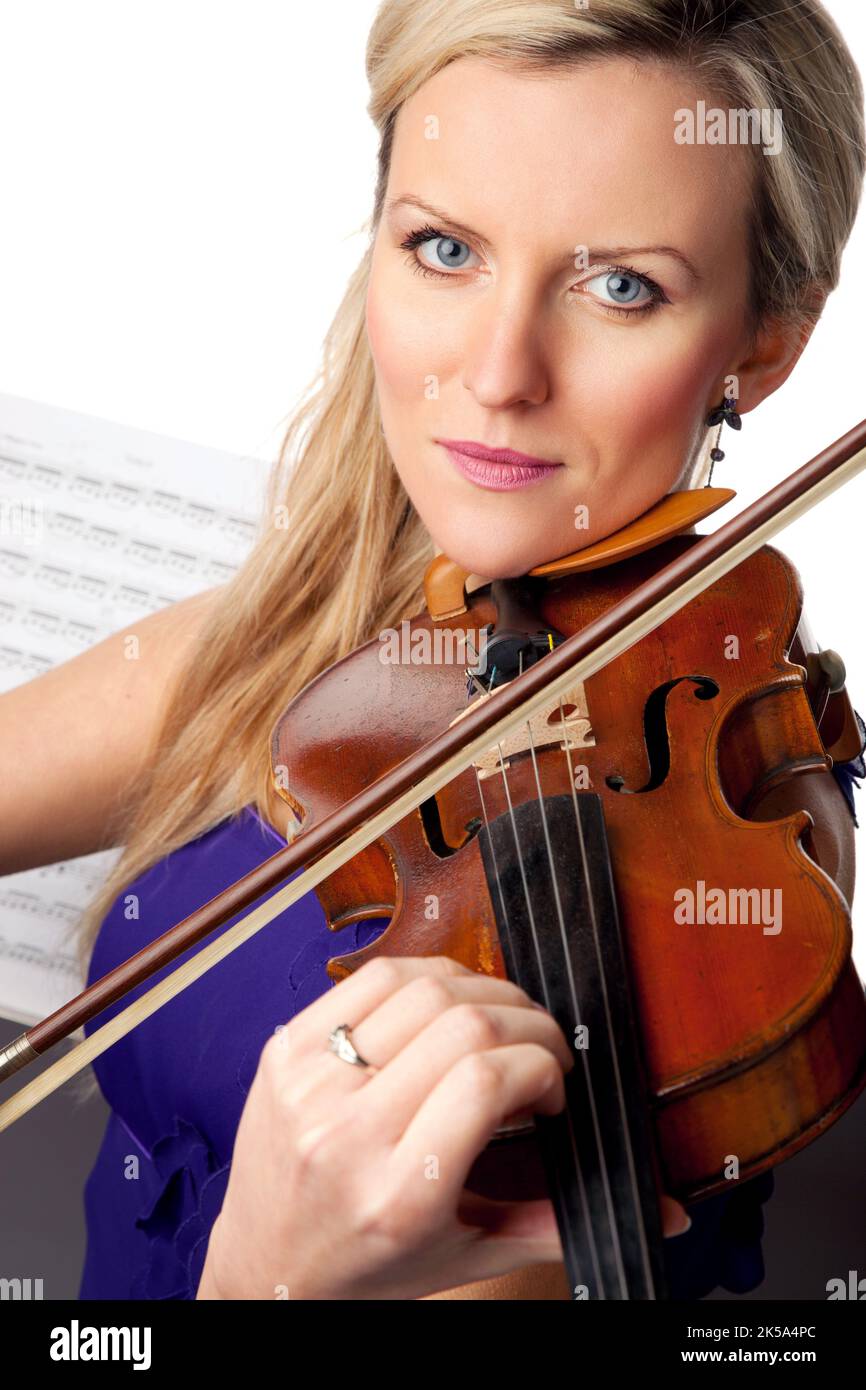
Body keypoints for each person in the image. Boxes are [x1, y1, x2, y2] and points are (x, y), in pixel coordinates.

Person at [1, 0, 863, 1300]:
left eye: (620, 285)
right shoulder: (328, 628)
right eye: (445, 247)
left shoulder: (708, 865)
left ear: (762, 345)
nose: (497, 369)